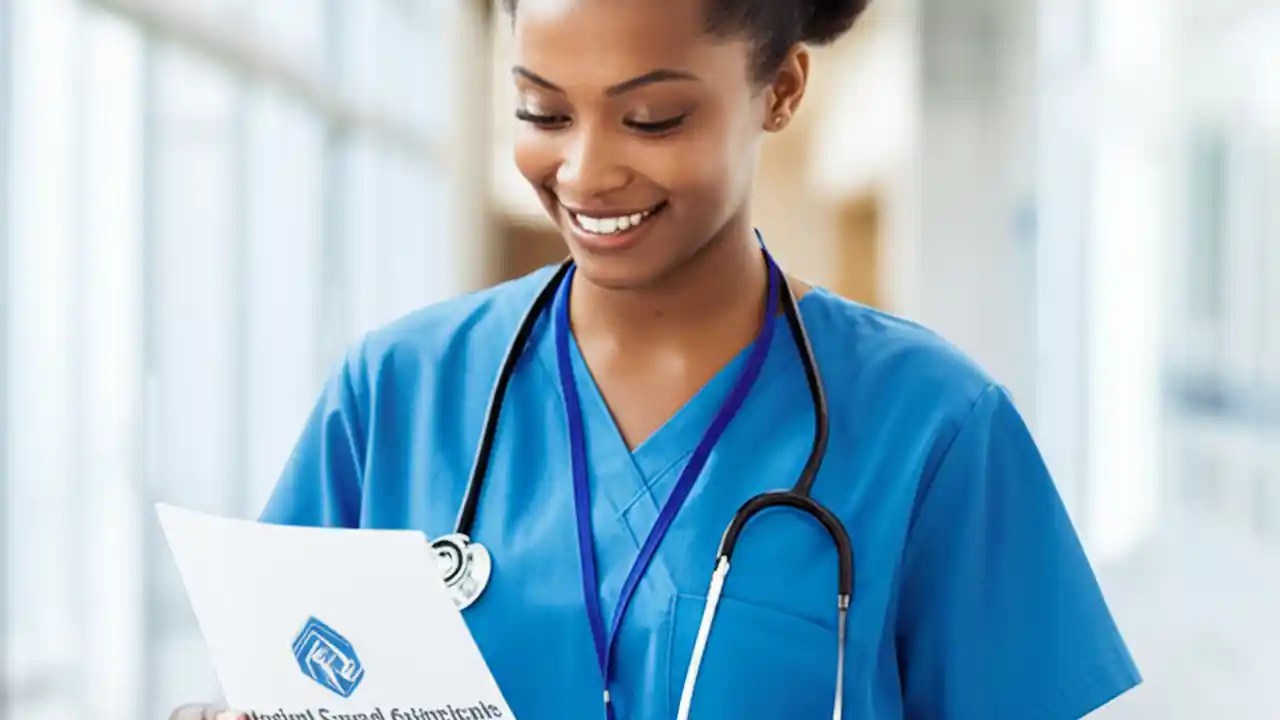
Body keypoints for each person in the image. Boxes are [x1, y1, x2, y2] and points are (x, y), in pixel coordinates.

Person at [173, 0, 1141, 718]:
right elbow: (269, 679)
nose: (586, 172)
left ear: (782, 89)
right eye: (542, 113)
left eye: (651, 120)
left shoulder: (932, 432)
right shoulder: (395, 399)